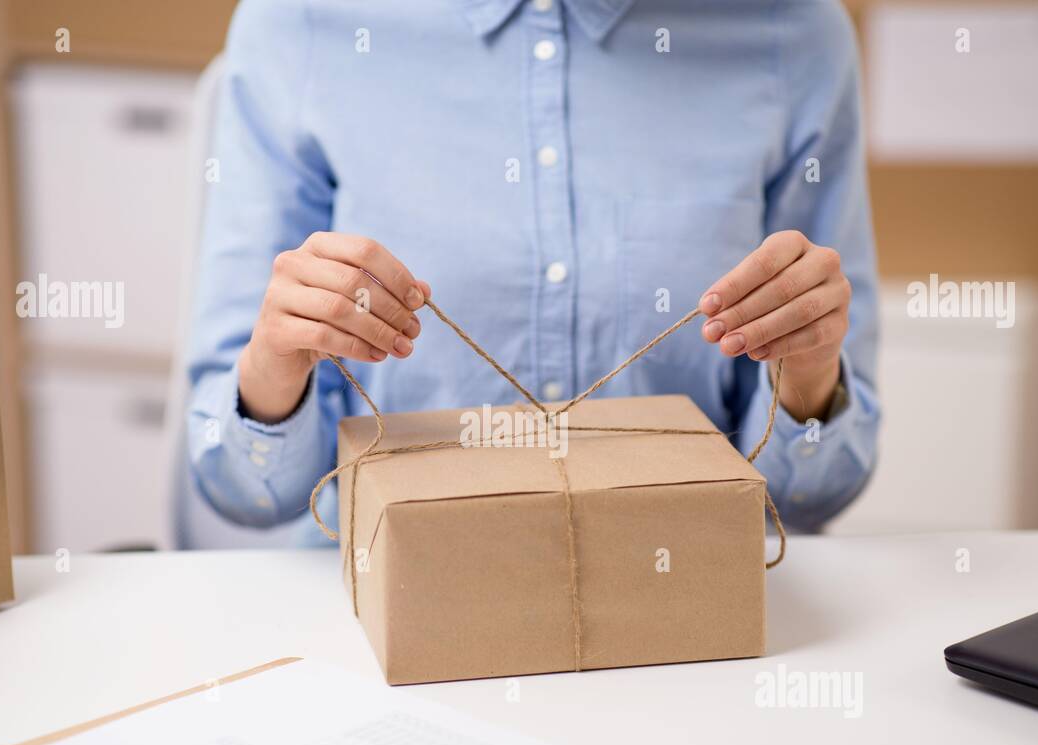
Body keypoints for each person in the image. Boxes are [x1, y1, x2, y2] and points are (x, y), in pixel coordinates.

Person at [187, 0, 879, 544]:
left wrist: (810, 379)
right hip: (388, 609)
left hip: (687, 606)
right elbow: (245, 493)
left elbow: (813, 497)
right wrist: (275, 372)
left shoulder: (792, 32)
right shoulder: (298, 24)